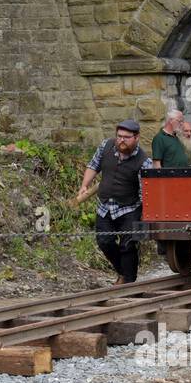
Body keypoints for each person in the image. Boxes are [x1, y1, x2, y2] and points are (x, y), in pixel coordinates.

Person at [74, 120, 154, 284]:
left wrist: (144, 215)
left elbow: (144, 193)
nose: (121, 140)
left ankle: (129, 283)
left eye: (126, 137)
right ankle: (123, 273)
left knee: (128, 246)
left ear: (136, 137)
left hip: (129, 208)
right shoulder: (106, 146)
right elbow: (93, 165)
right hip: (104, 206)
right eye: (119, 136)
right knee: (104, 241)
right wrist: (84, 185)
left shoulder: (144, 161)